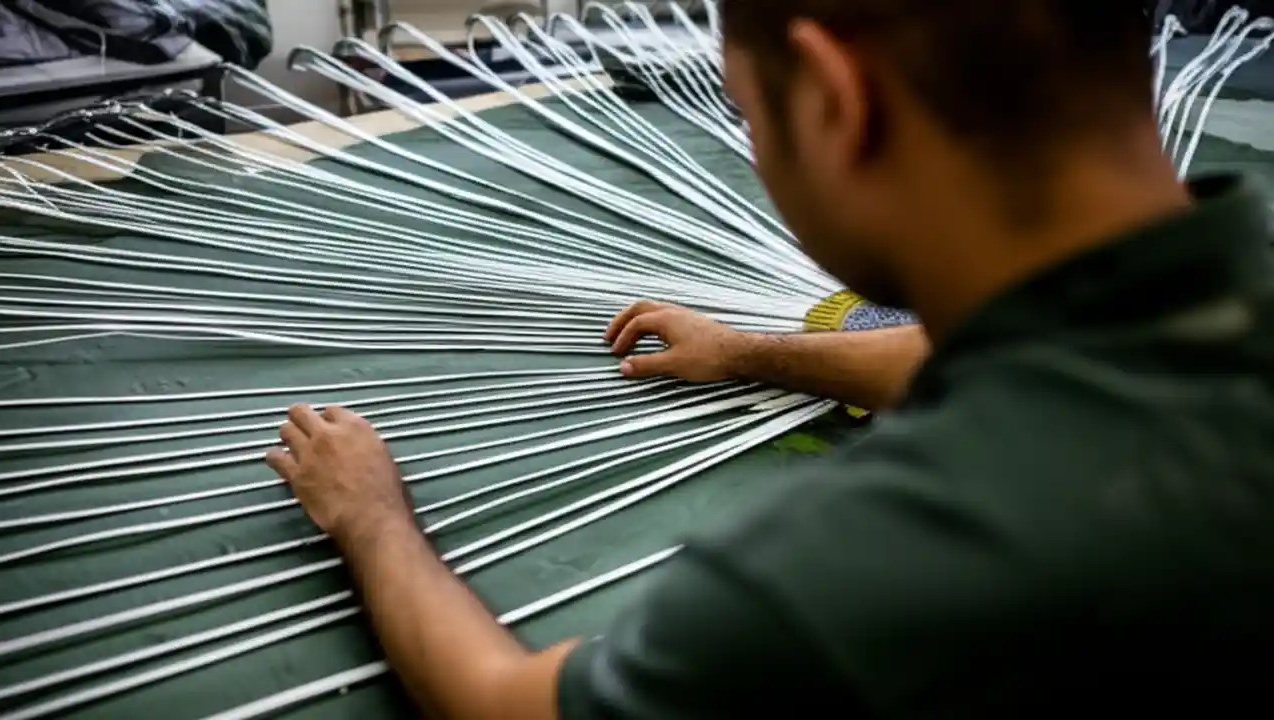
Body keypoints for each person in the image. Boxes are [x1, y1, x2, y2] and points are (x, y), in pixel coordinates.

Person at [266, 0, 1274, 717]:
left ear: (837, 99)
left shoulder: (869, 573)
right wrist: (748, 350)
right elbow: (1014, 351)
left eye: (747, 113)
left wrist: (371, 520)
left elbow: (503, 704)